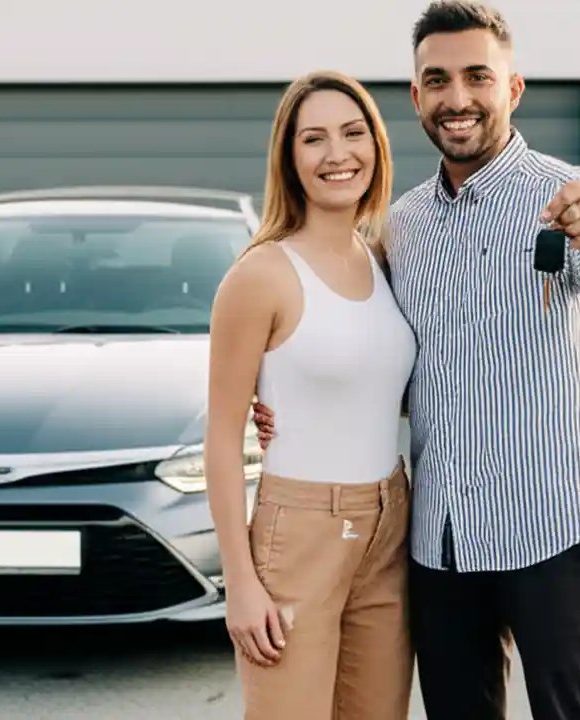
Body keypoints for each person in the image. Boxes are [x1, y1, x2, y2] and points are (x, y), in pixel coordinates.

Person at [252, 2, 580, 719]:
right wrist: (281, 406)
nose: (458, 98)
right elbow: (369, 354)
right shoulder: (402, 225)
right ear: (417, 96)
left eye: (478, 76)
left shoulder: (568, 195)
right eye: (438, 81)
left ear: (513, 88)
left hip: (551, 526)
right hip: (439, 540)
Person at [204, 69, 418, 720]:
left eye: (353, 133)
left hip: (389, 521)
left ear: (376, 145)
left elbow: (375, 384)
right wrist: (240, 584)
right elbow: (220, 437)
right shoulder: (261, 275)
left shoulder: (384, 257)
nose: (337, 154)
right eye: (314, 139)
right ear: (289, 157)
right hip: (299, 531)